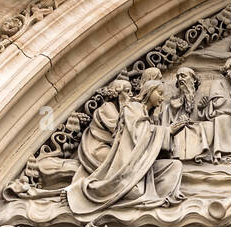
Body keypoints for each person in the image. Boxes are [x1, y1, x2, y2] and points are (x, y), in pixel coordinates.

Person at [66, 77, 184, 216]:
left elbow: (147, 138)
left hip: (141, 165)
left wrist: (168, 132)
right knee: (136, 192)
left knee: (175, 166)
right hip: (123, 161)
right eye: (159, 93)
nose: (163, 98)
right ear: (149, 92)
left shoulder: (147, 114)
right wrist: (167, 131)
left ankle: (163, 205)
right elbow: (137, 133)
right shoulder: (132, 107)